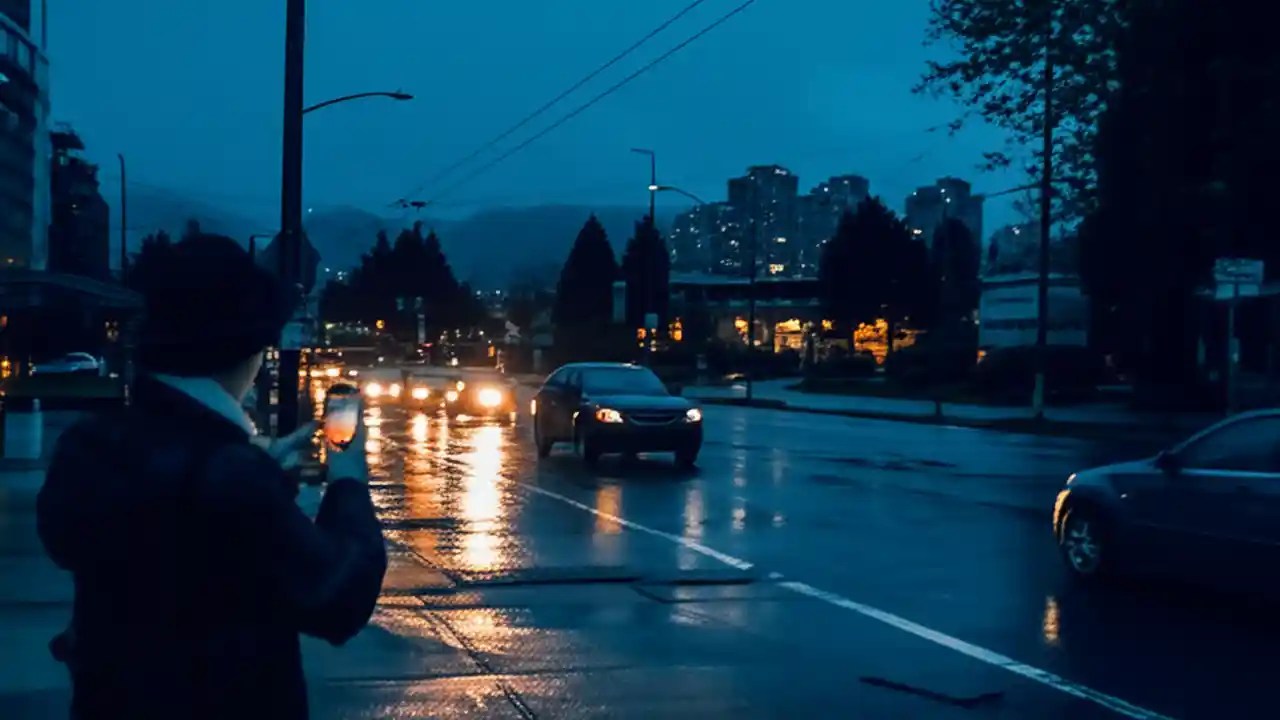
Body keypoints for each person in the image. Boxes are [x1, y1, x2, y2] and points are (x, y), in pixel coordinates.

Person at [36, 234, 387, 720]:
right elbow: (340, 598)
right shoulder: (229, 477)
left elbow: (167, 533)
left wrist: (259, 466)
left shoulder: (90, 444)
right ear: (249, 352)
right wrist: (348, 479)